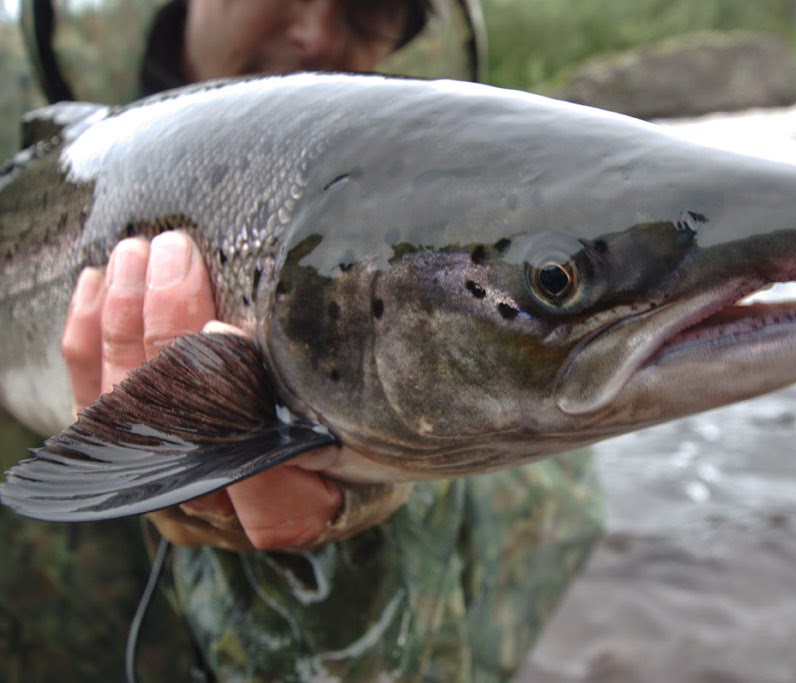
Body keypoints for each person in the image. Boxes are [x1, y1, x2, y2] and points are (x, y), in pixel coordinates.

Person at [1, 2, 604, 681]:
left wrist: (339, 552)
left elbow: (469, 644)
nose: (316, 32)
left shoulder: (489, 210)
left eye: (370, 8)